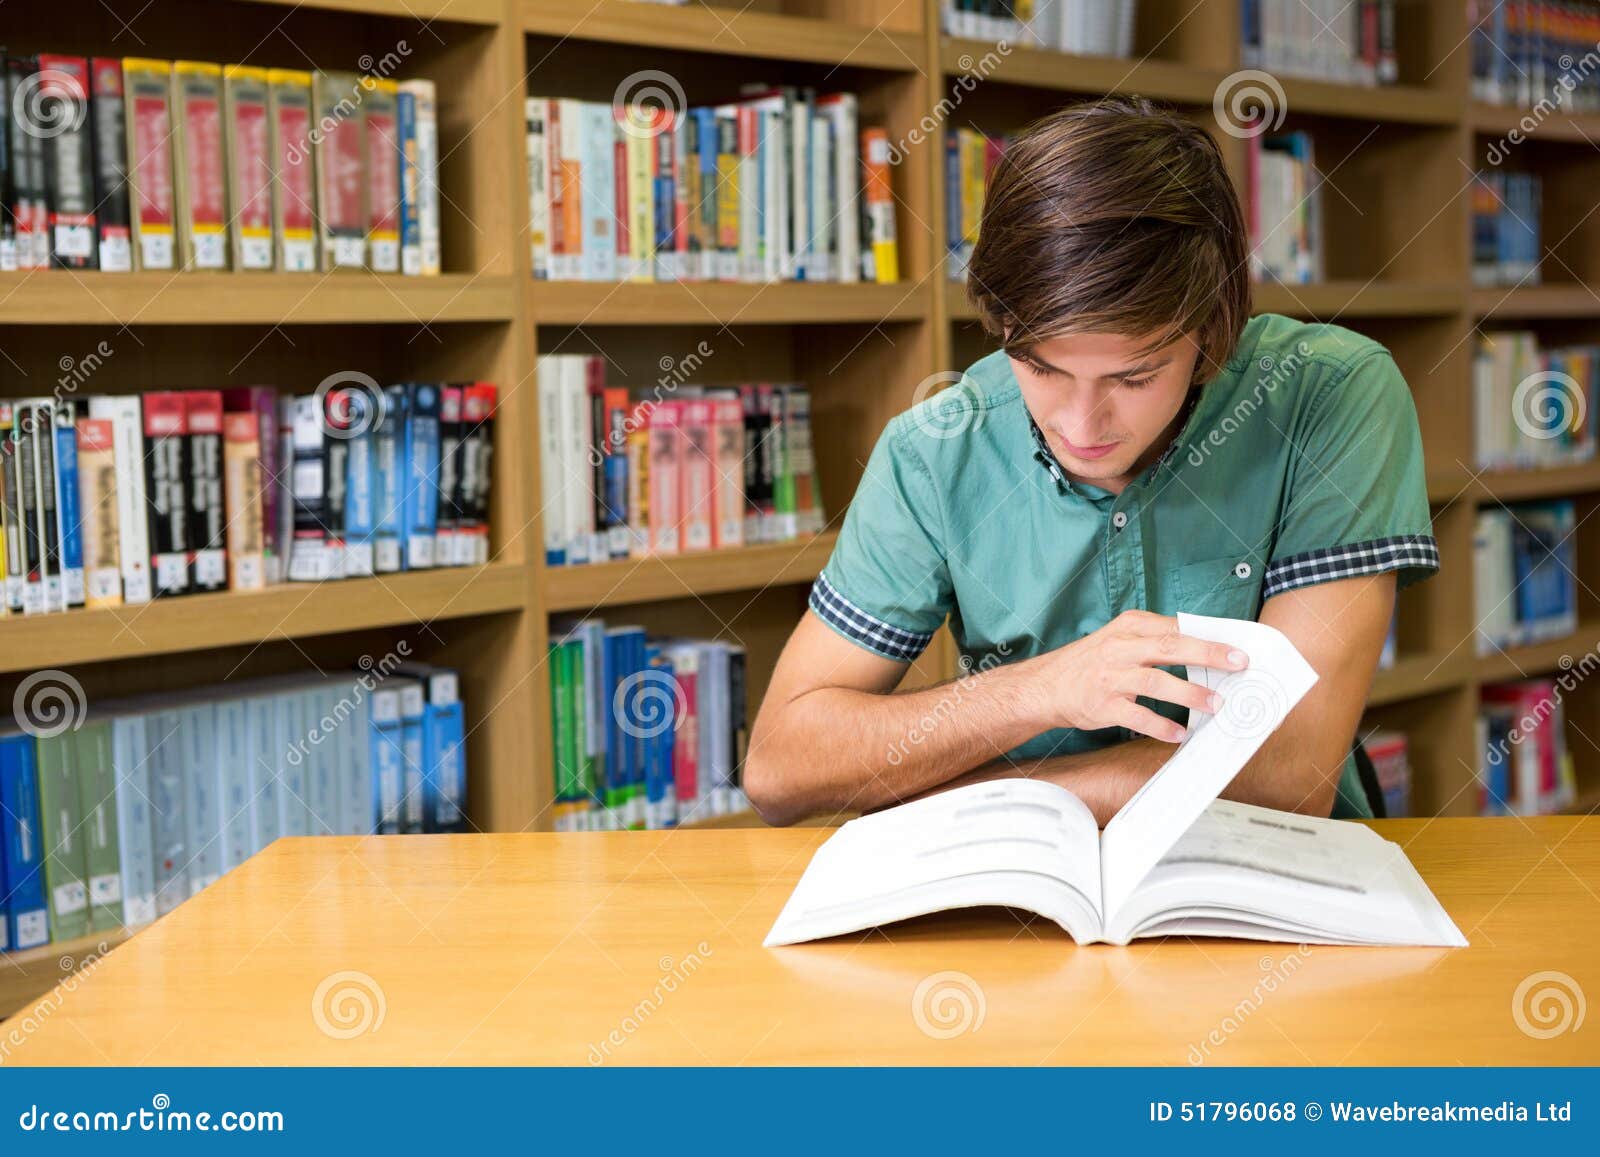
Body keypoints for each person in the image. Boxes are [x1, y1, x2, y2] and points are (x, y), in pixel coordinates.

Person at [744, 96, 1437, 827]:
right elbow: (781, 766)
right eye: (1042, 369)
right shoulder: (932, 451)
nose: (1082, 424)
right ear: (1004, 325)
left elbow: (1286, 775)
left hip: (1275, 891)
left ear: (1213, 330)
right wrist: (1041, 688)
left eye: (1134, 378)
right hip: (1015, 904)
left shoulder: (1330, 396)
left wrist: (952, 796)